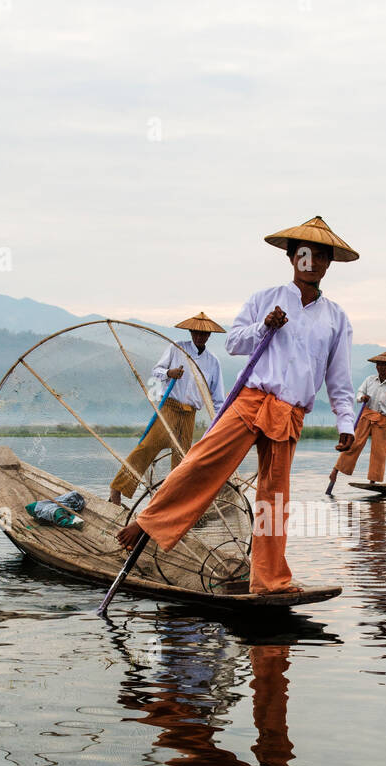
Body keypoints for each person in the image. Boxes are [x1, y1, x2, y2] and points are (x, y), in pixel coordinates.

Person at [117, 215, 359, 595]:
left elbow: (339, 379)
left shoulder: (336, 318)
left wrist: (346, 423)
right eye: (304, 255)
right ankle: (147, 522)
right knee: (204, 461)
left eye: (320, 257)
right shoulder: (266, 299)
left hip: (290, 412)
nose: (312, 263)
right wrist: (265, 326)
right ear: (293, 258)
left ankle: (269, 580)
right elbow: (234, 343)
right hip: (251, 399)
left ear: (328, 263)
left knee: (273, 498)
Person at [108, 312, 226, 504]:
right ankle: (117, 489)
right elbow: (156, 371)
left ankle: (171, 501)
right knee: (147, 447)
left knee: (182, 460)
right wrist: (169, 373)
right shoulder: (177, 348)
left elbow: (218, 398)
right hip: (170, 408)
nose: (199, 336)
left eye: (203, 334)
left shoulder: (213, 362)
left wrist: (219, 423)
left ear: (209, 336)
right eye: (195, 332)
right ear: (190, 332)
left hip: (190, 414)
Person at [326, 351, 386, 492]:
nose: (380, 367)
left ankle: (372, 481)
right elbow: (359, 394)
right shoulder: (369, 380)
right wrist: (363, 398)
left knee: (379, 451)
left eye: (383, 365)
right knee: (354, 444)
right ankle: (335, 472)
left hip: (382, 420)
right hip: (366, 415)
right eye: (378, 364)